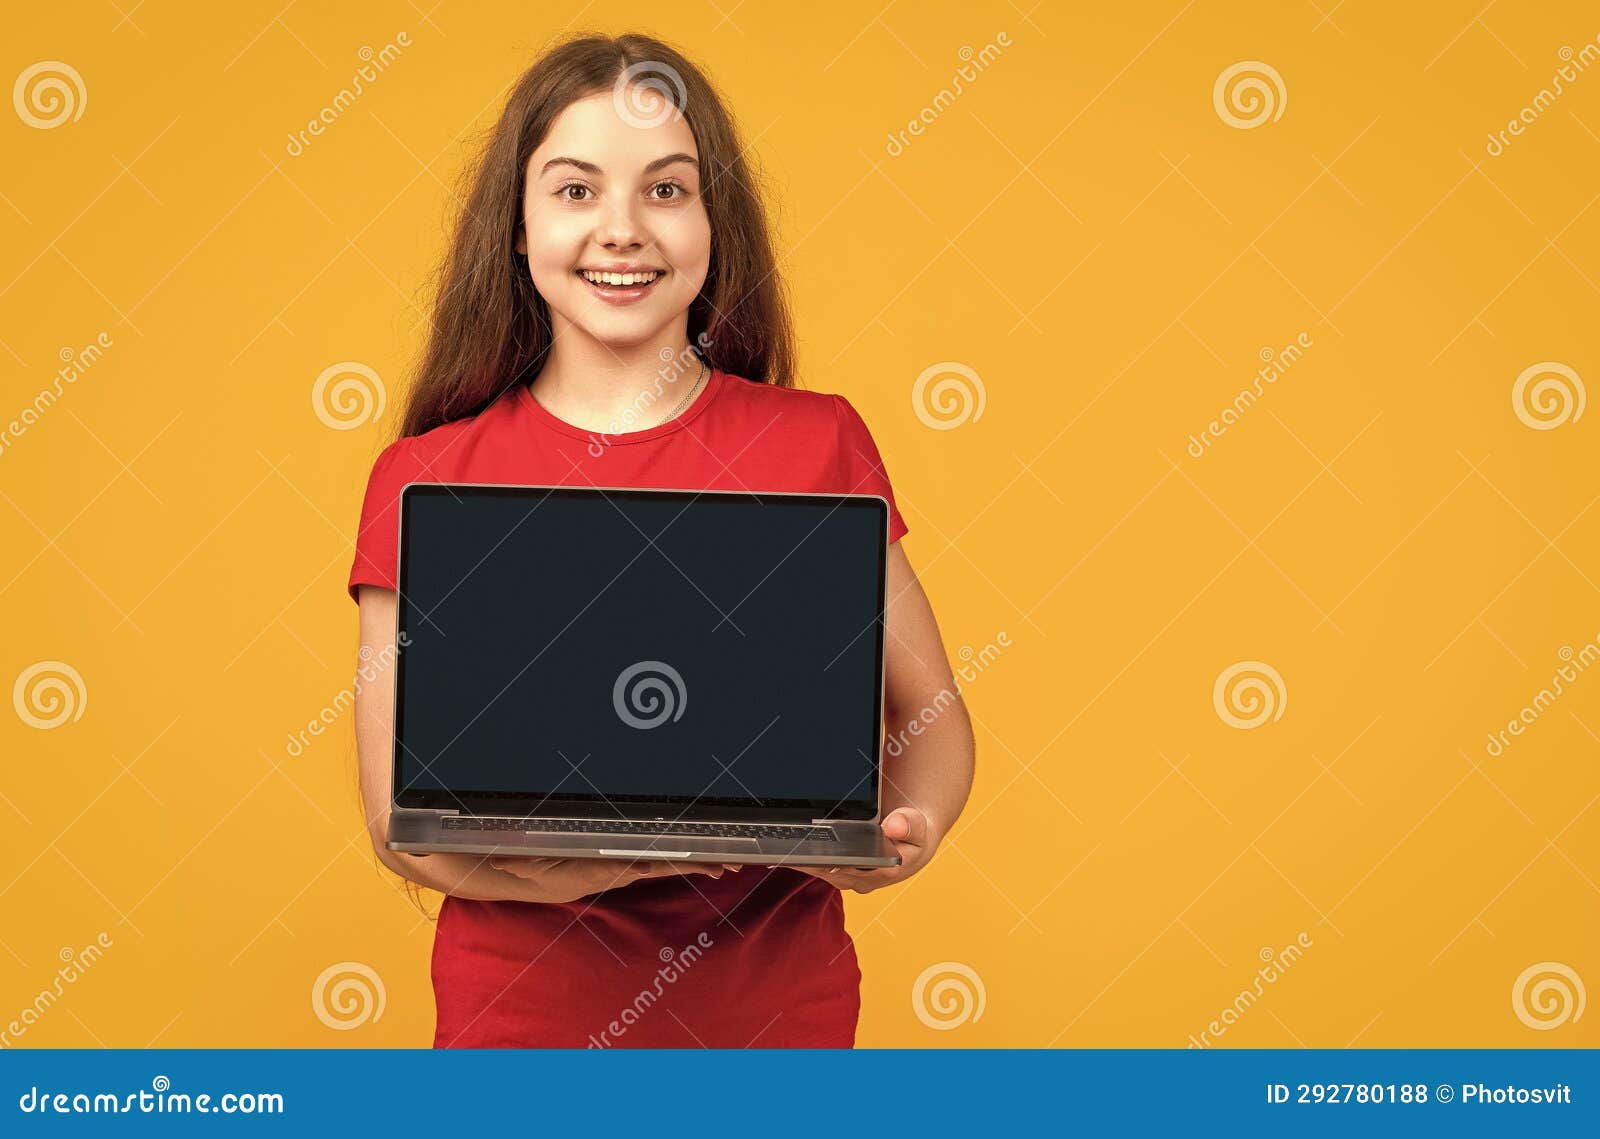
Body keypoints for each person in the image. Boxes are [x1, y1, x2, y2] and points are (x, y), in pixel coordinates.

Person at [348, 32, 975, 1048]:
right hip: (521, 1011)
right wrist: (564, 878)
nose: (623, 230)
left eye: (667, 190)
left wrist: (911, 830)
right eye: (576, 190)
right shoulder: (428, 476)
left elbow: (934, 716)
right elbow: (399, 823)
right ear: (516, 225)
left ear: (714, 221)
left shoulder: (818, 440)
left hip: (774, 1008)